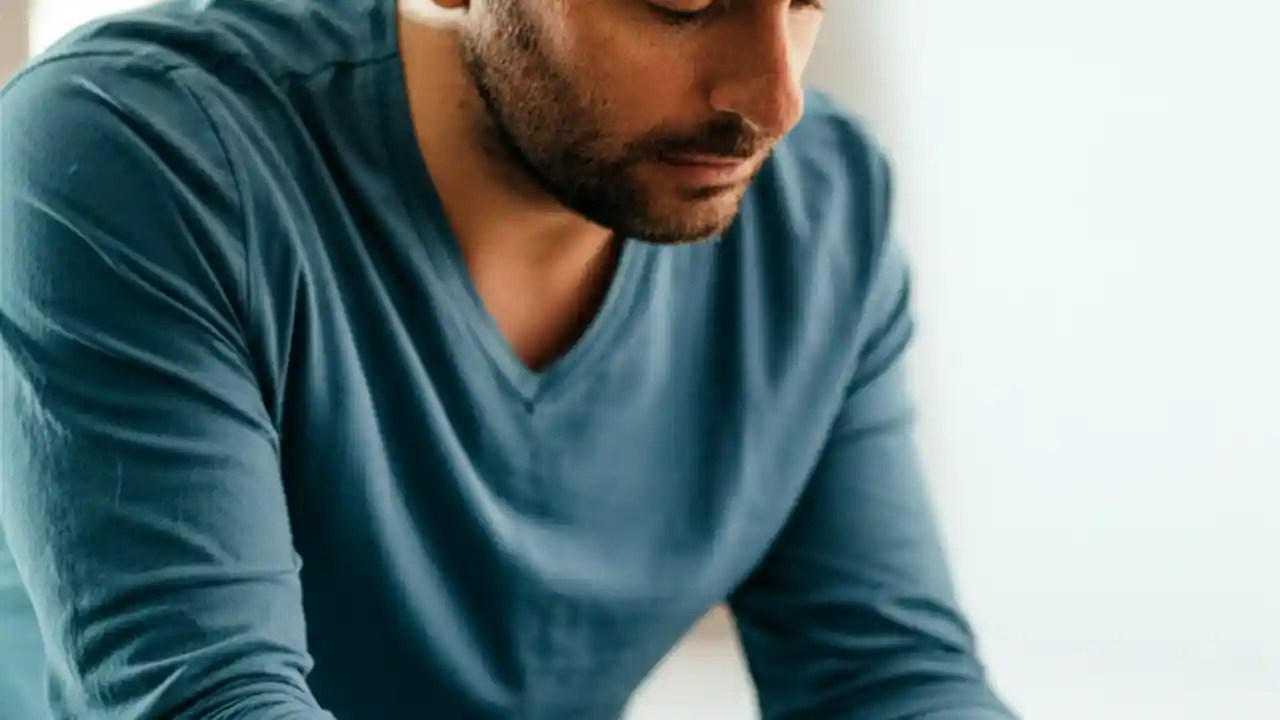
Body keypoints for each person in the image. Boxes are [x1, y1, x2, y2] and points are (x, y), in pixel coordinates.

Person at [0, 0, 1015, 717]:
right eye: (681, 2)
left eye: (805, 2)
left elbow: (883, 680)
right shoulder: (134, 149)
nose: (773, 99)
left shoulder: (823, 210)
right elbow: (206, 700)